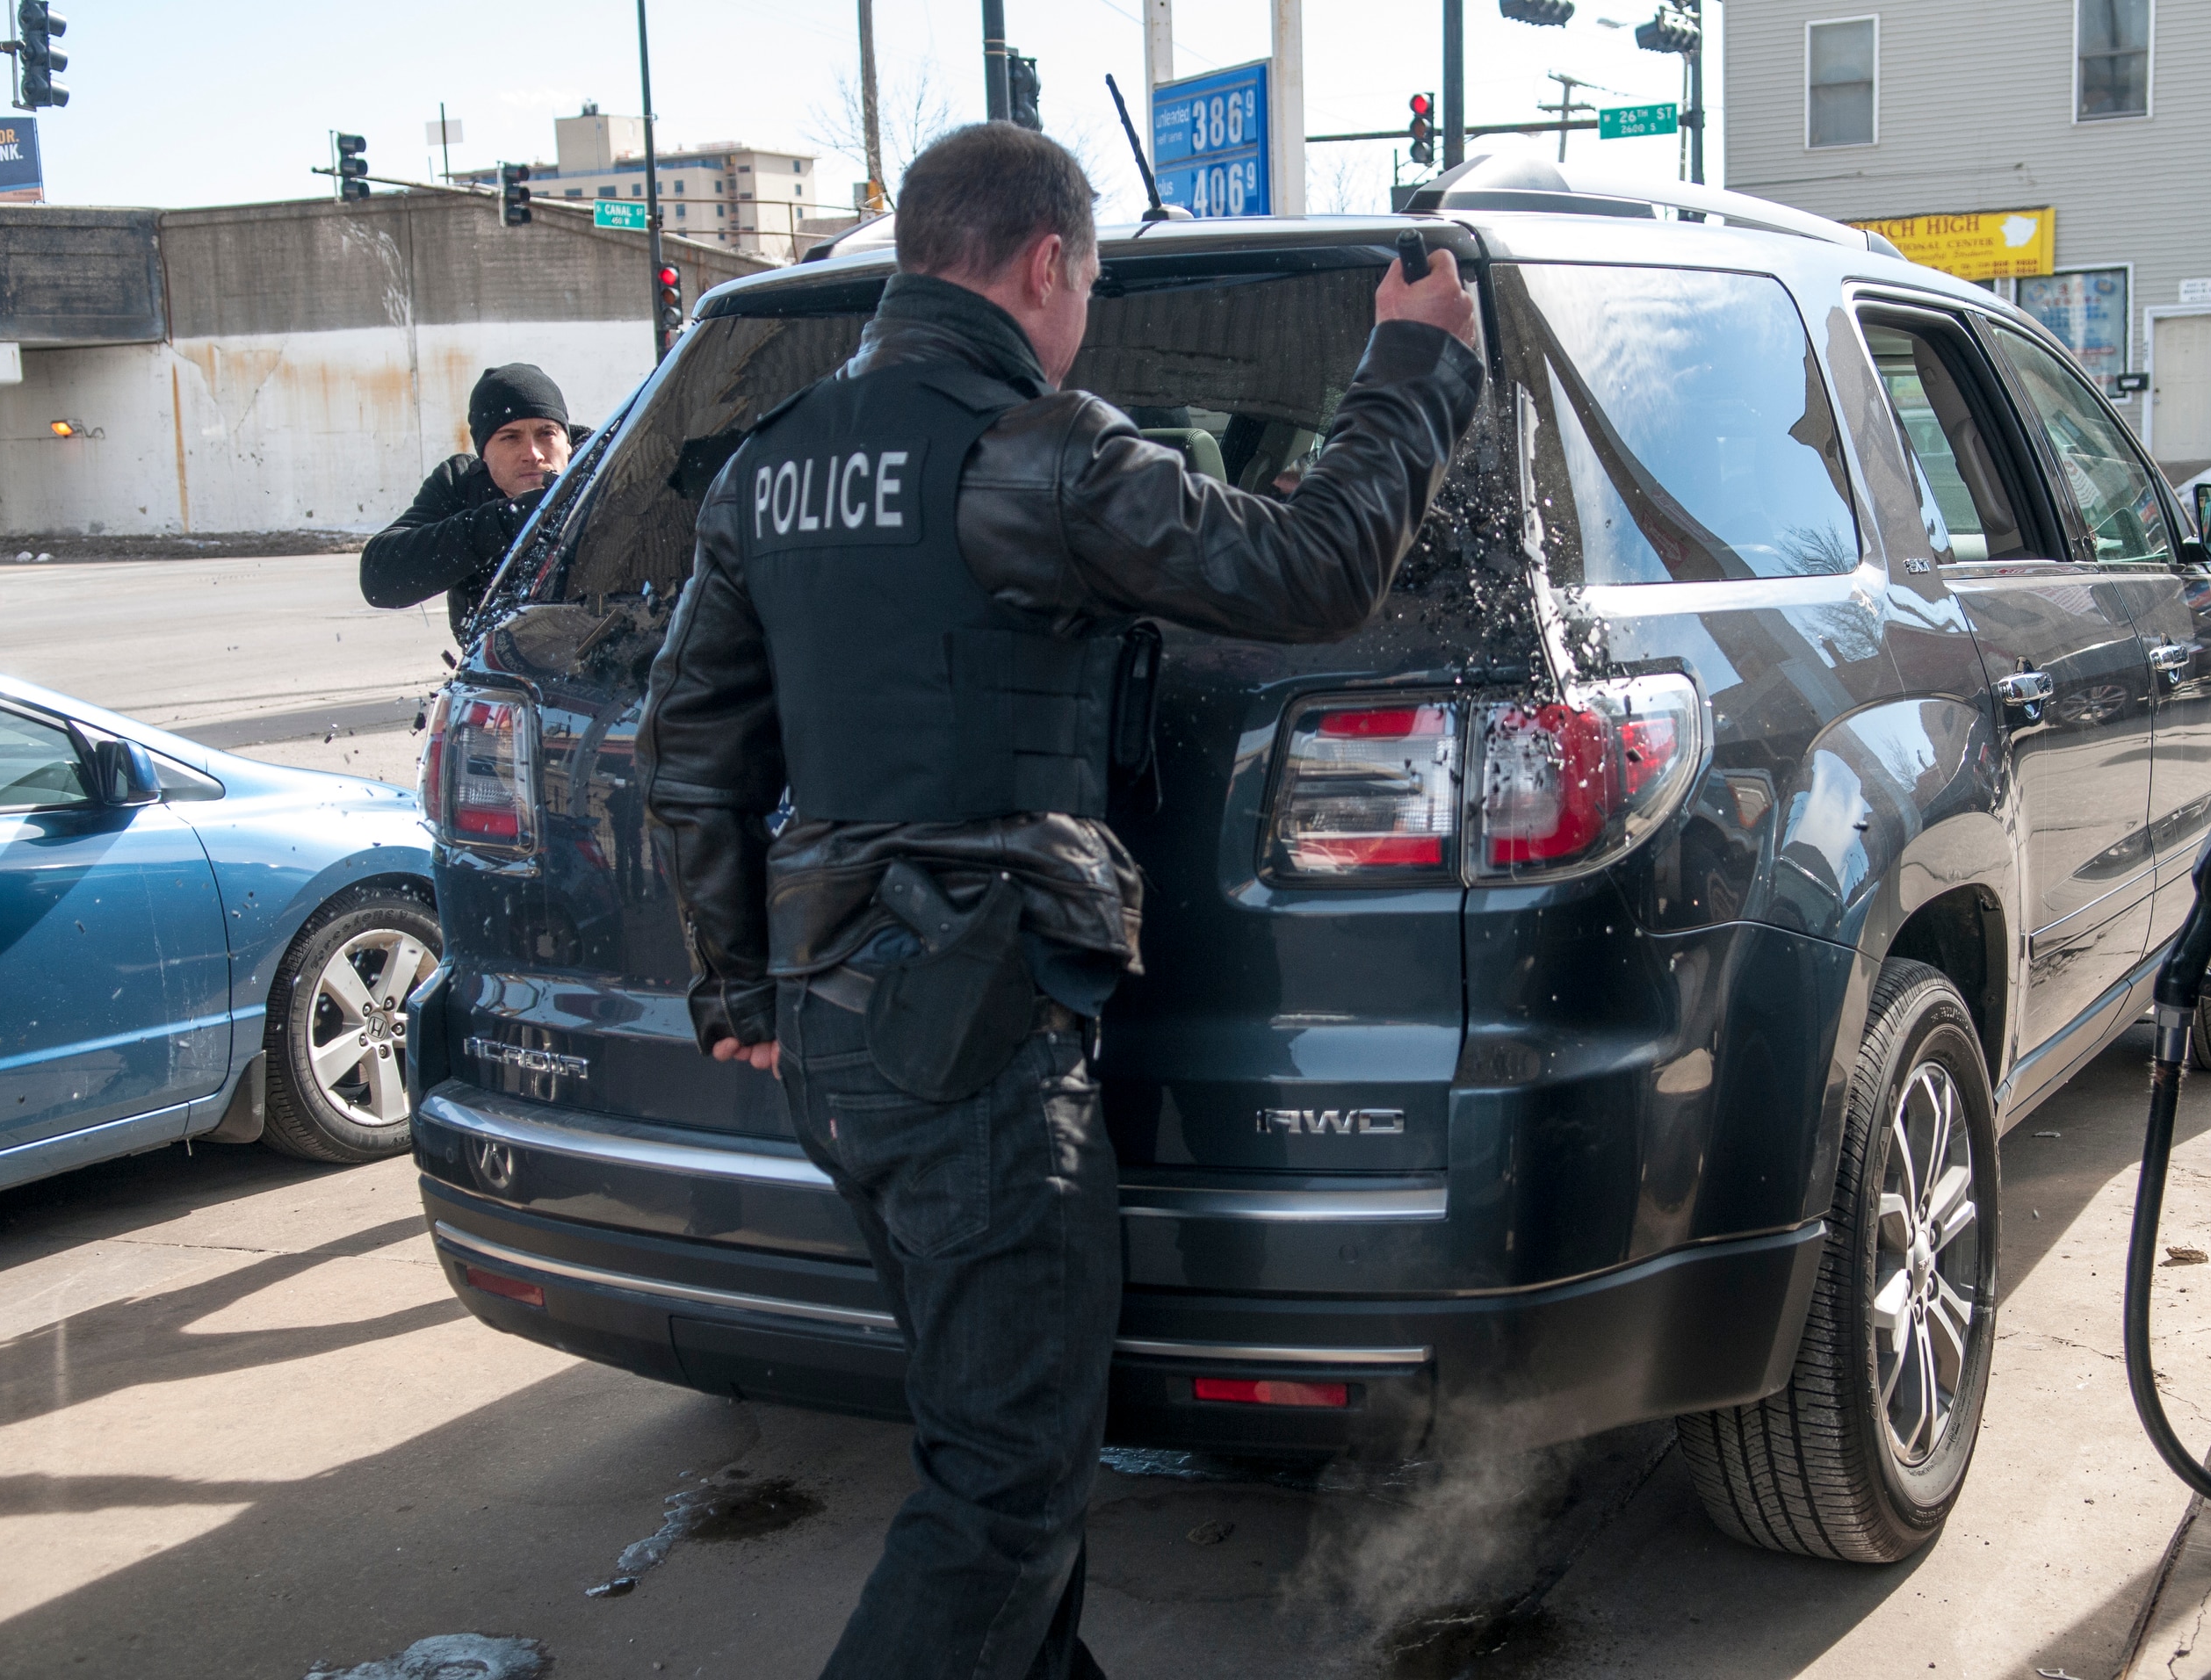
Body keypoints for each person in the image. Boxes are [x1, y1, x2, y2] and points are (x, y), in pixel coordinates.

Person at [636, 121, 1480, 1680]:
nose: (1084, 308)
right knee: (1006, 1491)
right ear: (1045, 263)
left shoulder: (776, 462)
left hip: (836, 1031)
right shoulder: (1041, 451)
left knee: (991, 1438)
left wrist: (733, 987)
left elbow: (687, 748)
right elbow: (1312, 572)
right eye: (1088, 278)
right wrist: (1412, 369)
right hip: (975, 1034)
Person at [359, 363, 588, 640]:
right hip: (499, 667)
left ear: (567, 442)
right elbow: (380, 579)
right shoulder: (462, 484)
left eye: (546, 433)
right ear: (484, 453)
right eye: (510, 438)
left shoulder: (608, 470)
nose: (533, 453)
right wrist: (506, 520)